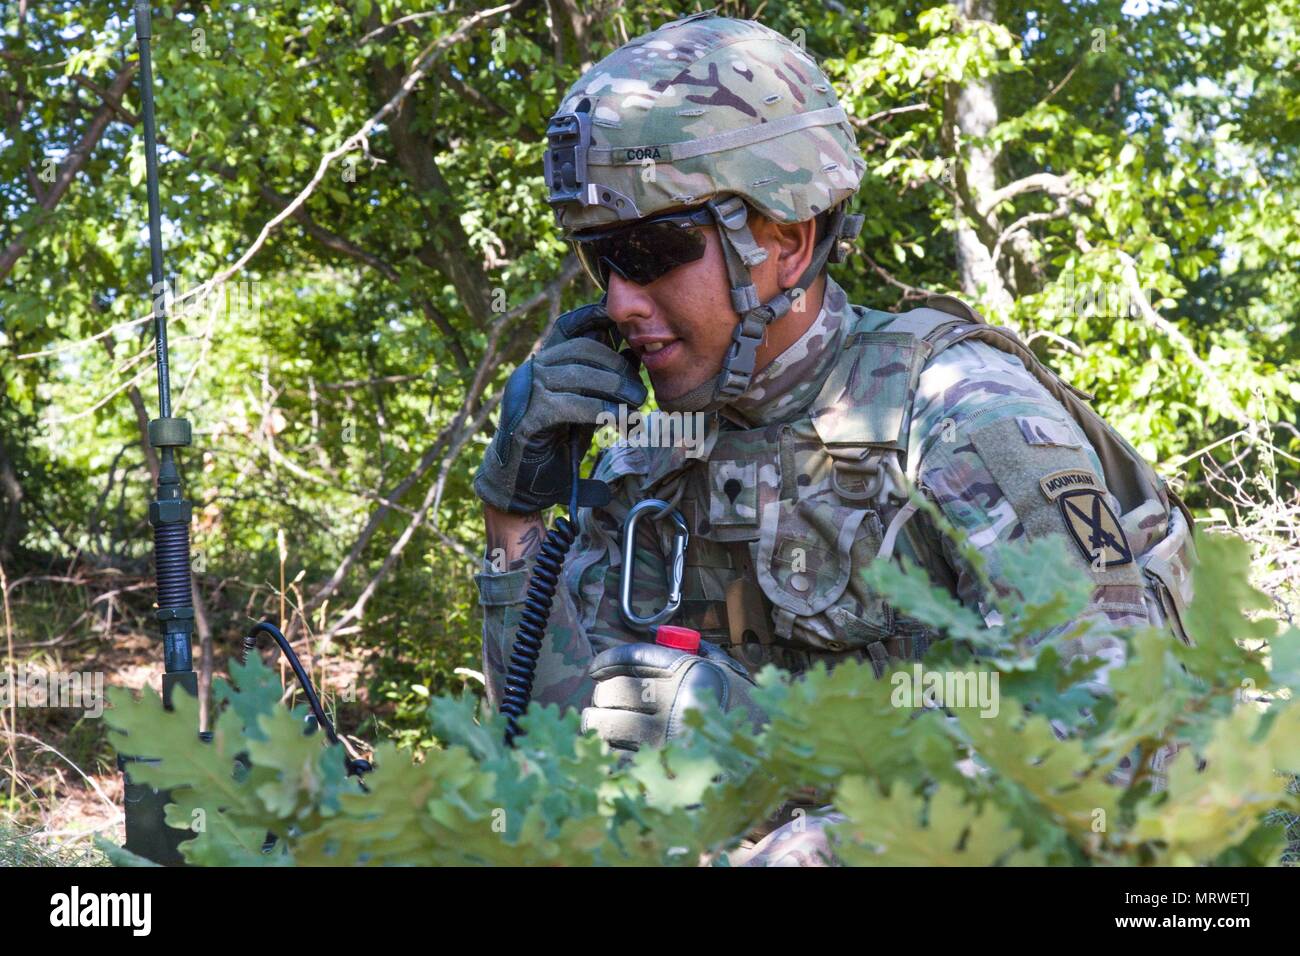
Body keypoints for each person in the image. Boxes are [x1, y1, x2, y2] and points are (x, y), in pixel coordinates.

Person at [471, 11, 1195, 864]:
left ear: (786, 237)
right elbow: (547, 756)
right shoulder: (649, 450)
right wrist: (515, 521)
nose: (622, 301)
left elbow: (1124, 744)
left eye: (654, 247)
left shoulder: (960, 413)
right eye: (603, 260)